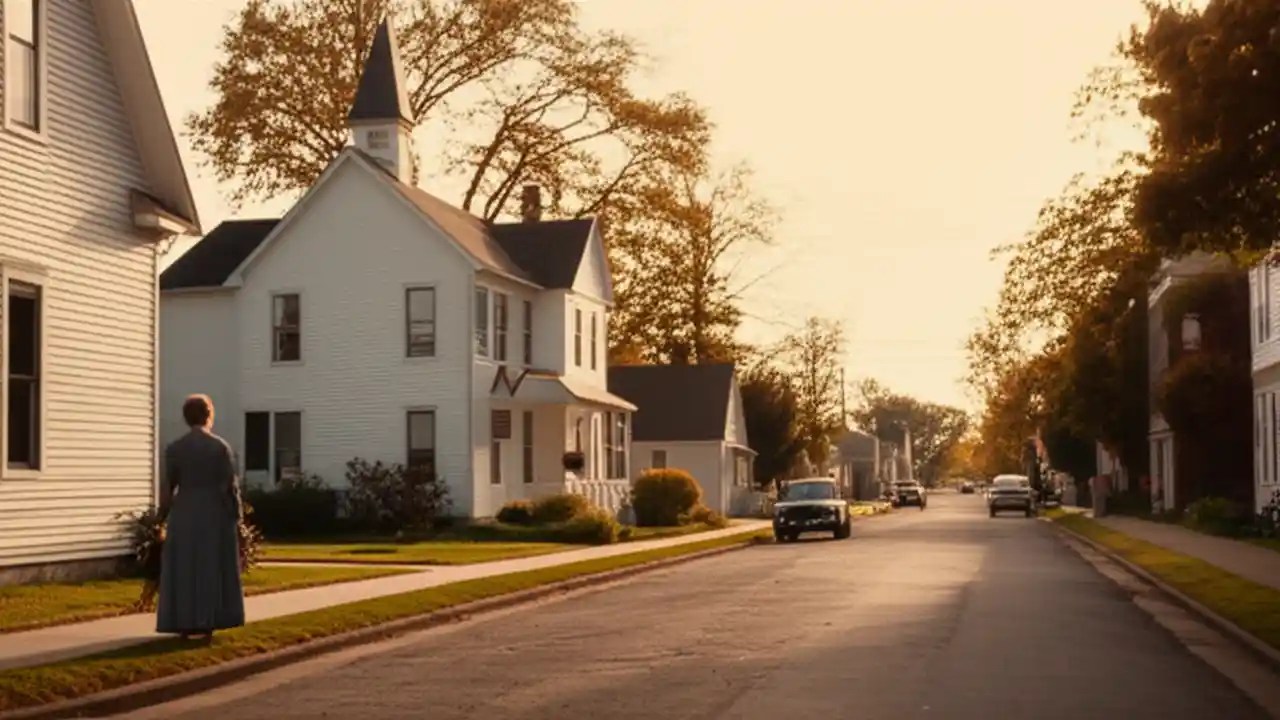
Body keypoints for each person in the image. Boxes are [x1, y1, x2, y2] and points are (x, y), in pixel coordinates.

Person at [156, 394, 245, 639]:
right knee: (210, 567)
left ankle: (183, 620)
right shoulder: (219, 447)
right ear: (209, 415)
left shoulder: (175, 449)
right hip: (213, 512)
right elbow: (229, 486)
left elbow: (168, 487)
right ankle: (208, 619)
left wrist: (161, 518)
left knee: (184, 567)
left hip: (184, 511)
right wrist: (237, 518)